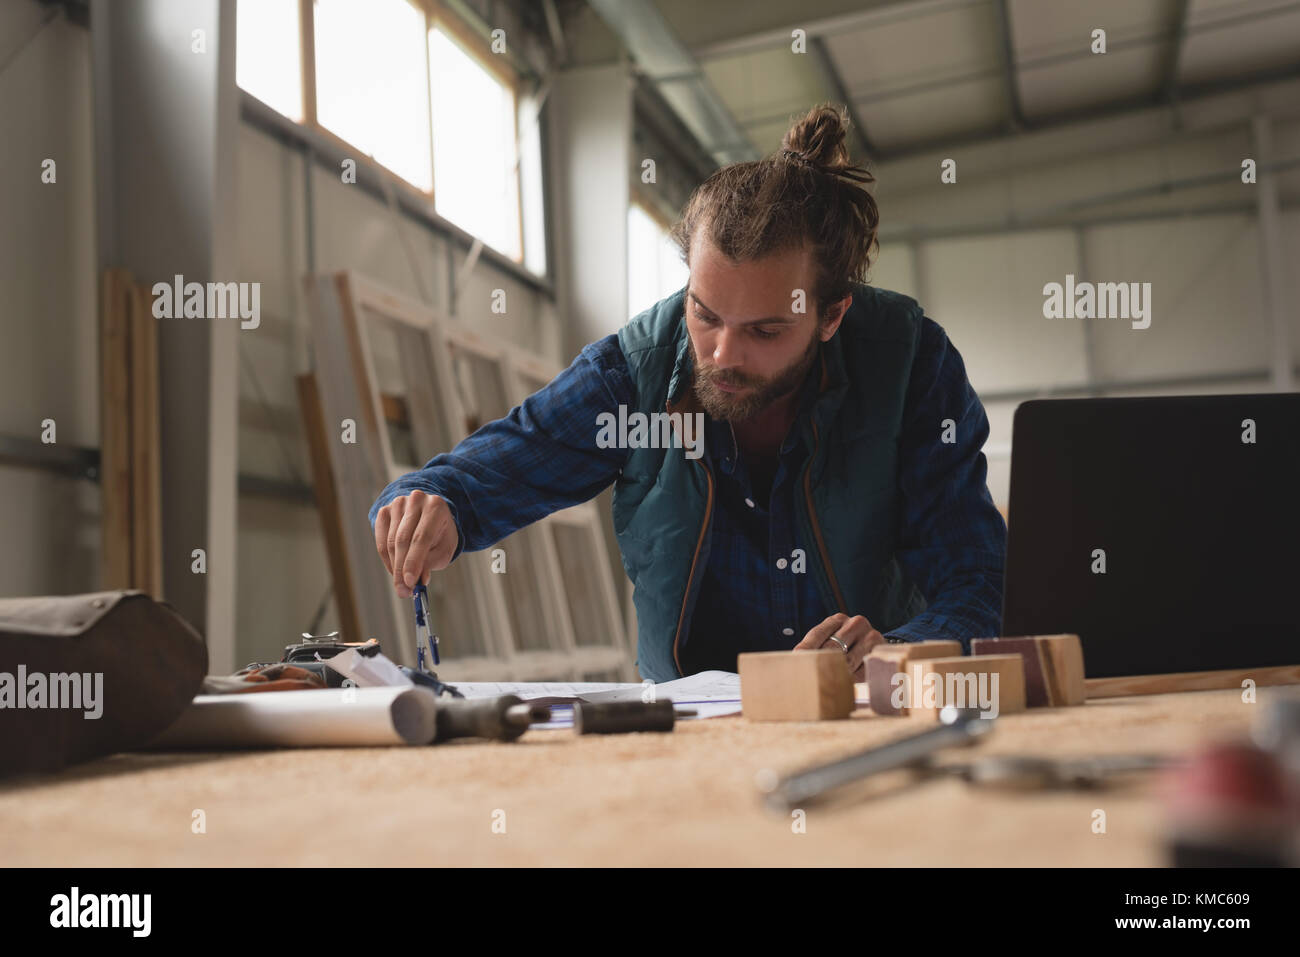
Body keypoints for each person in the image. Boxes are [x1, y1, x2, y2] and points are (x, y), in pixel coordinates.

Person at [370, 104, 1006, 683]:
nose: (723, 356)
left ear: (832, 315)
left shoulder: (908, 365)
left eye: (764, 330)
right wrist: (429, 504)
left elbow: (979, 582)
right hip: (691, 727)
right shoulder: (634, 378)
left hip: (864, 713)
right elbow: (498, 465)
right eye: (704, 314)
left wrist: (896, 650)